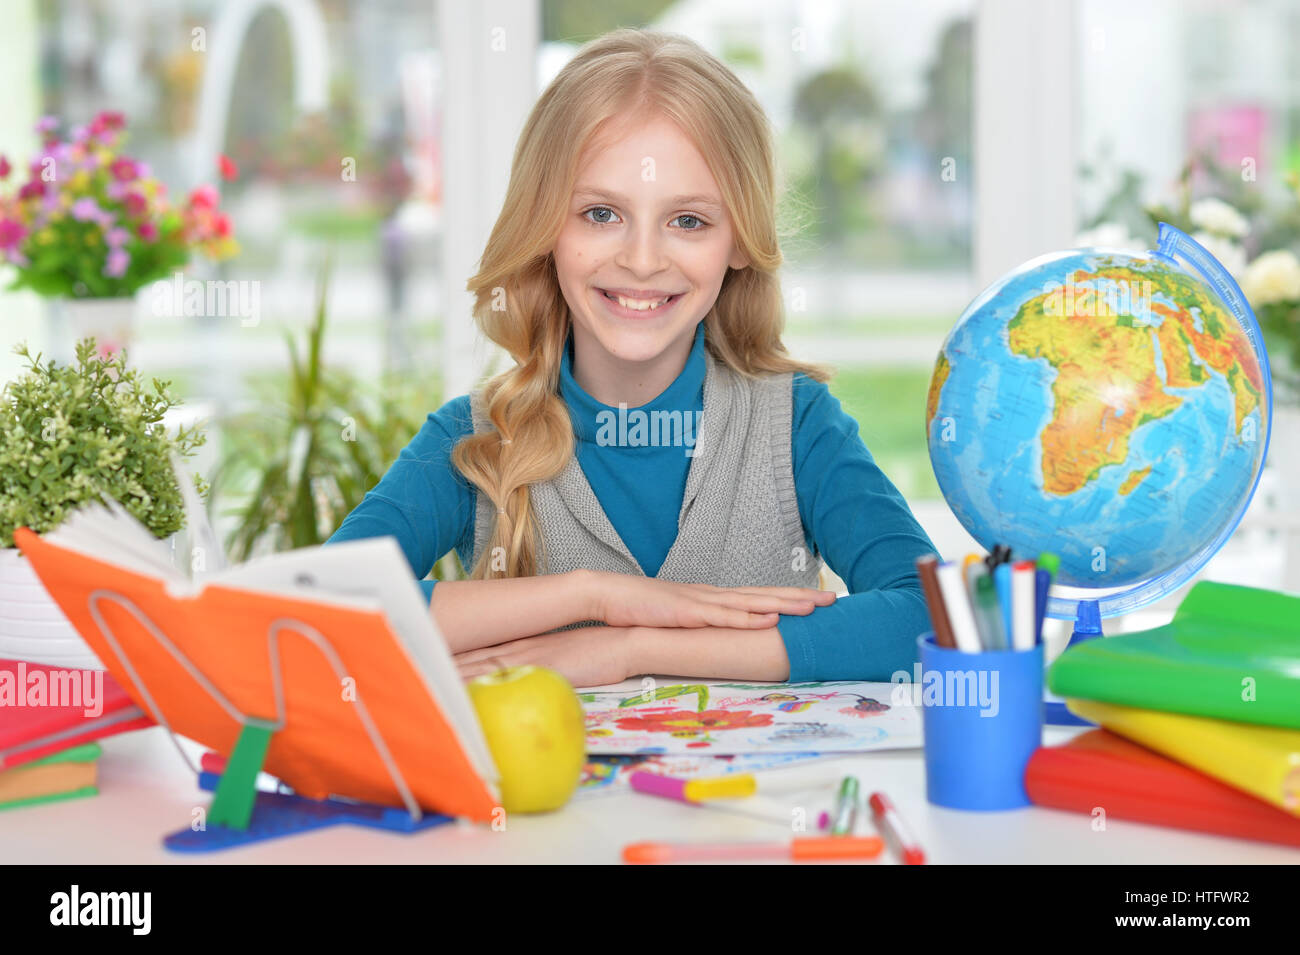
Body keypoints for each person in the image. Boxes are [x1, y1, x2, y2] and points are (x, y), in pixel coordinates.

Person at [327, 28, 938, 687]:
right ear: (544, 228)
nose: (642, 260)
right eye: (599, 213)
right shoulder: (475, 439)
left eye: (689, 221)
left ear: (739, 240)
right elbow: (317, 611)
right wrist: (594, 596)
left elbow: (929, 619)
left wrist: (632, 649)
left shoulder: (794, 425)